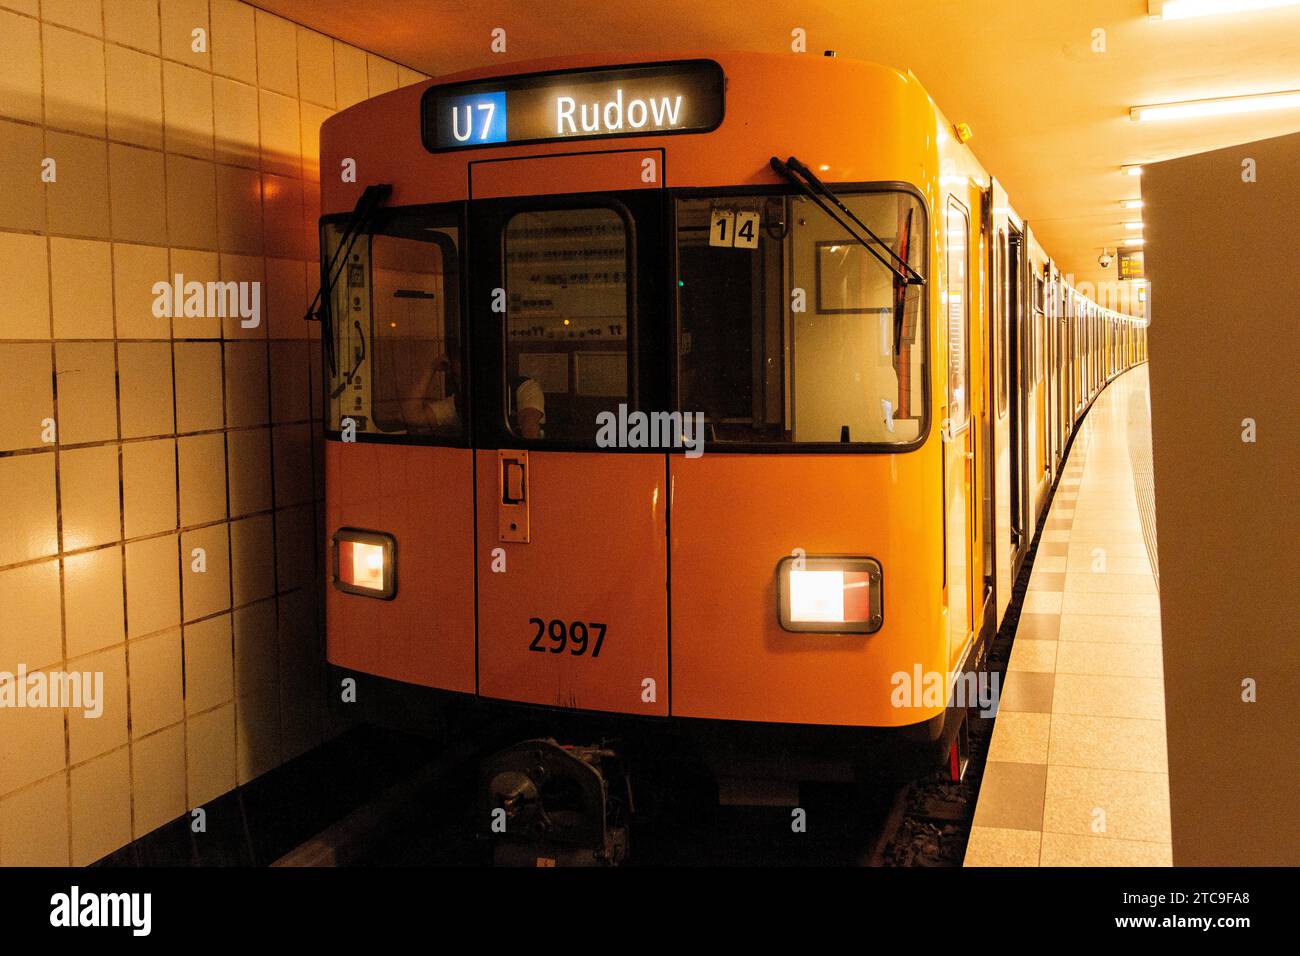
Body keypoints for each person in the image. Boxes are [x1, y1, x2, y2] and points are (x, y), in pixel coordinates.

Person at [400, 353, 545, 439]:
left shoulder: (524, 387)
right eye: (459, 376)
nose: (466, 380)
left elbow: (530, 428)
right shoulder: (458, 403)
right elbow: (411, 416)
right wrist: (431, 367)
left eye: (471, 372)